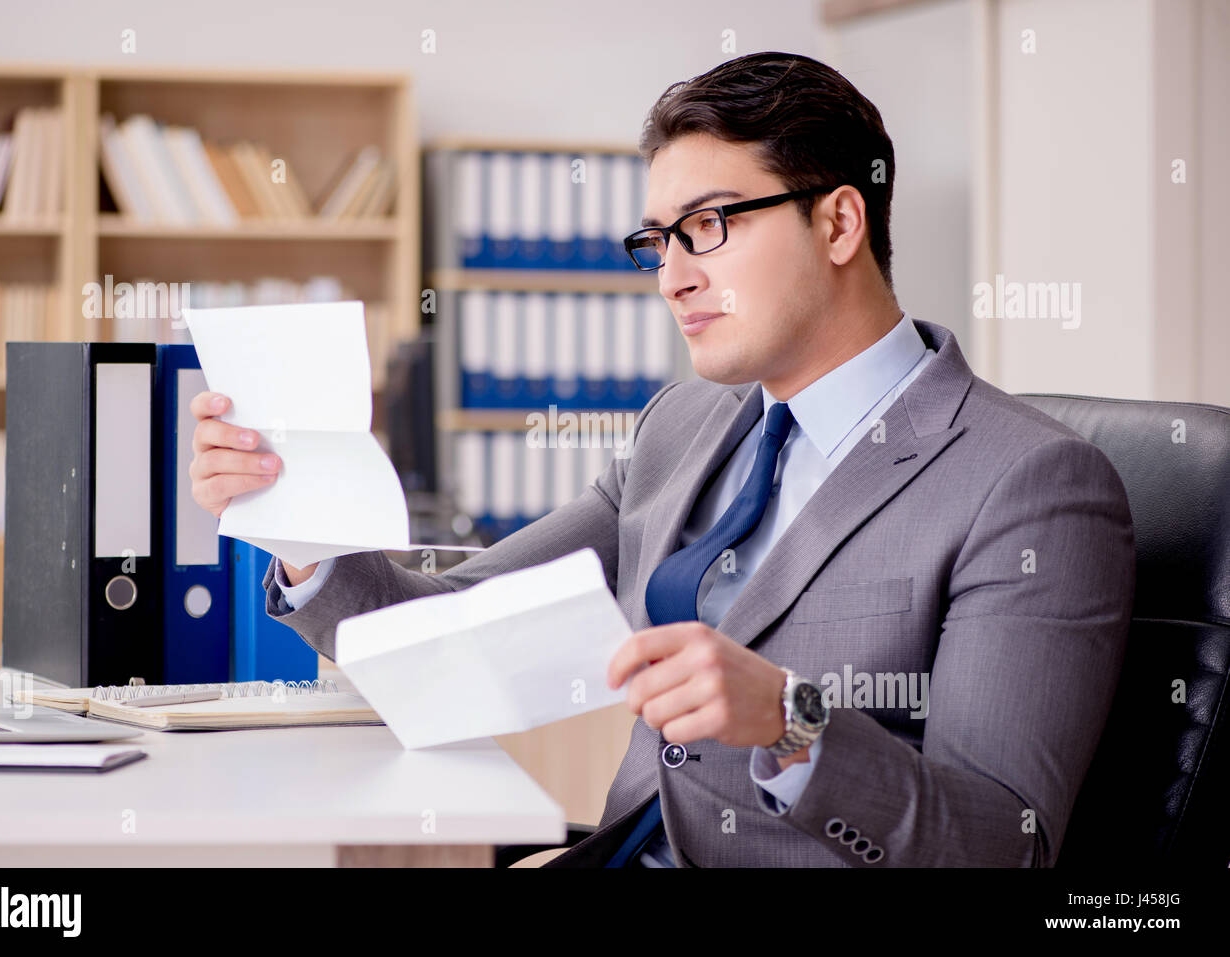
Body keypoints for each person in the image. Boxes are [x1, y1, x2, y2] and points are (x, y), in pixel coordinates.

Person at [189, 52, 1135, 867]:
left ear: (840, 224)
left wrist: (791, 720)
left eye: (711, 225)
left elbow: (1004, 843)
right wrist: (305, 523)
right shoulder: (683, 425)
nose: (674, 275)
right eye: (659, 241)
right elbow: (450, 626)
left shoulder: (1030, 483)